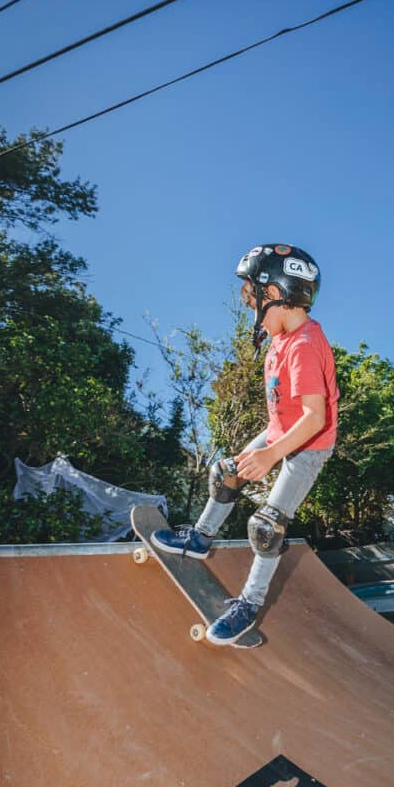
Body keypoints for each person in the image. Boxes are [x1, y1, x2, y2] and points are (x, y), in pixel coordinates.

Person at [151, 243, 338, 645]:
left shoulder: (304, 346)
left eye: (252, 296)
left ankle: (249, 605)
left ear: (275, 295)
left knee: (266, 526)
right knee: (226, 475)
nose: (247, 305)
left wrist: (271, 455)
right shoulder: (279, 340)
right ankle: (199, 539)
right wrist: (268, 445)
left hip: (309, 444)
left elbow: (315, 419)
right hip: (278, 432)